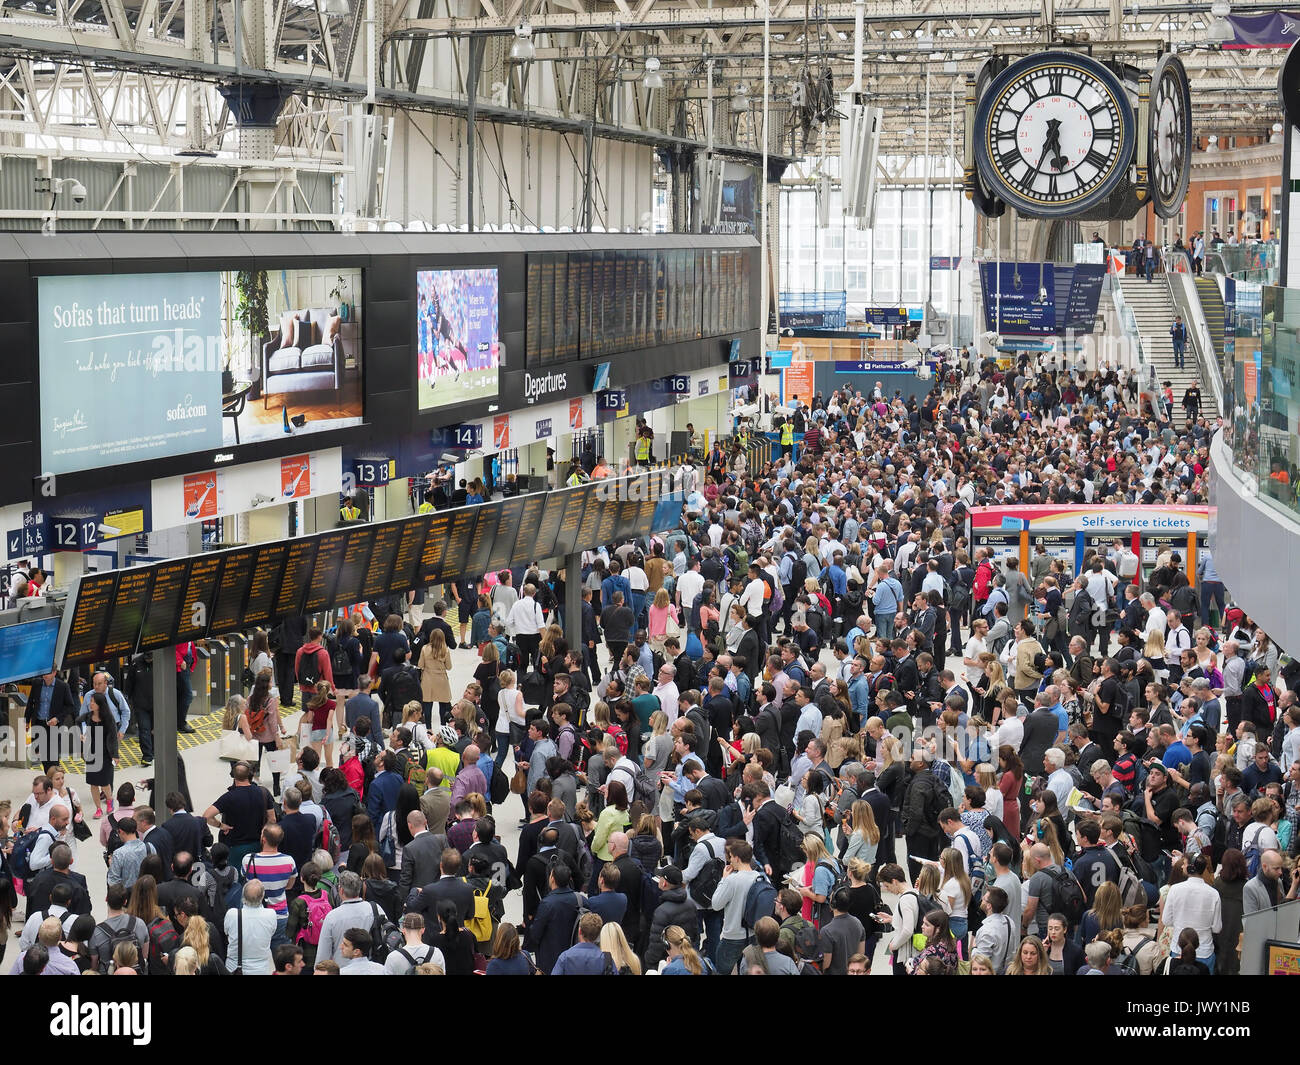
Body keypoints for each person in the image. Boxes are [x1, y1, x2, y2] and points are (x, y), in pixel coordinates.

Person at [223, 880, 277, 975]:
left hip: (234, 968)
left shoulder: (232, 914)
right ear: (262, 896)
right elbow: (271, 933)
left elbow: (226, 932)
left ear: (243, 895)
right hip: (261, 970)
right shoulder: (271, 914)